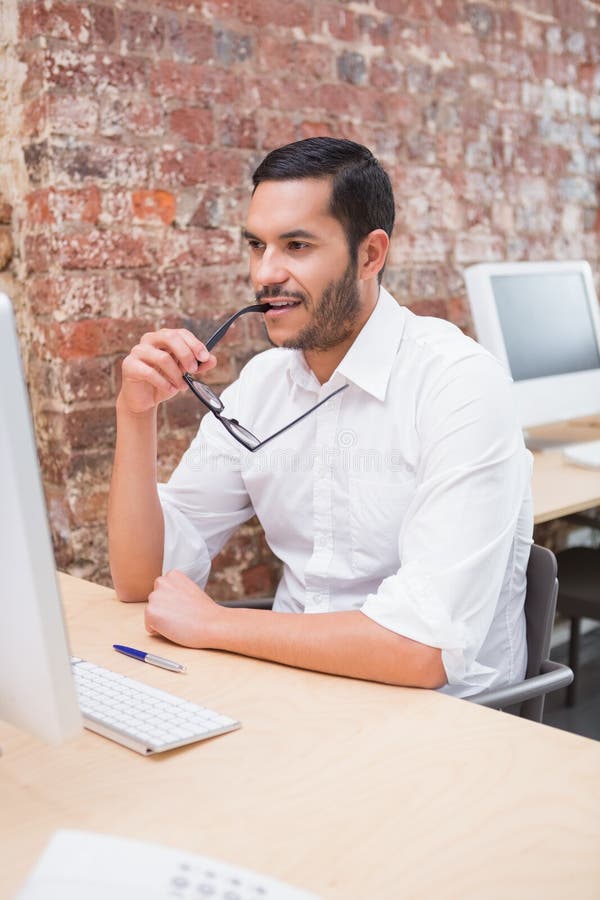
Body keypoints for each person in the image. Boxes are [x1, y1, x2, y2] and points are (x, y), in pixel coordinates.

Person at [108, 137, 533, 696]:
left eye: (297, 245)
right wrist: (134, 414)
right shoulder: (262, 386)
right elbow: (142, 579)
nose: (266, 272)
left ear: (370, 255)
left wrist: (217, 624)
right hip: (296, 688)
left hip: (442, 717)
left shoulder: (459, 384)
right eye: (256, 245)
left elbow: (422, 651)